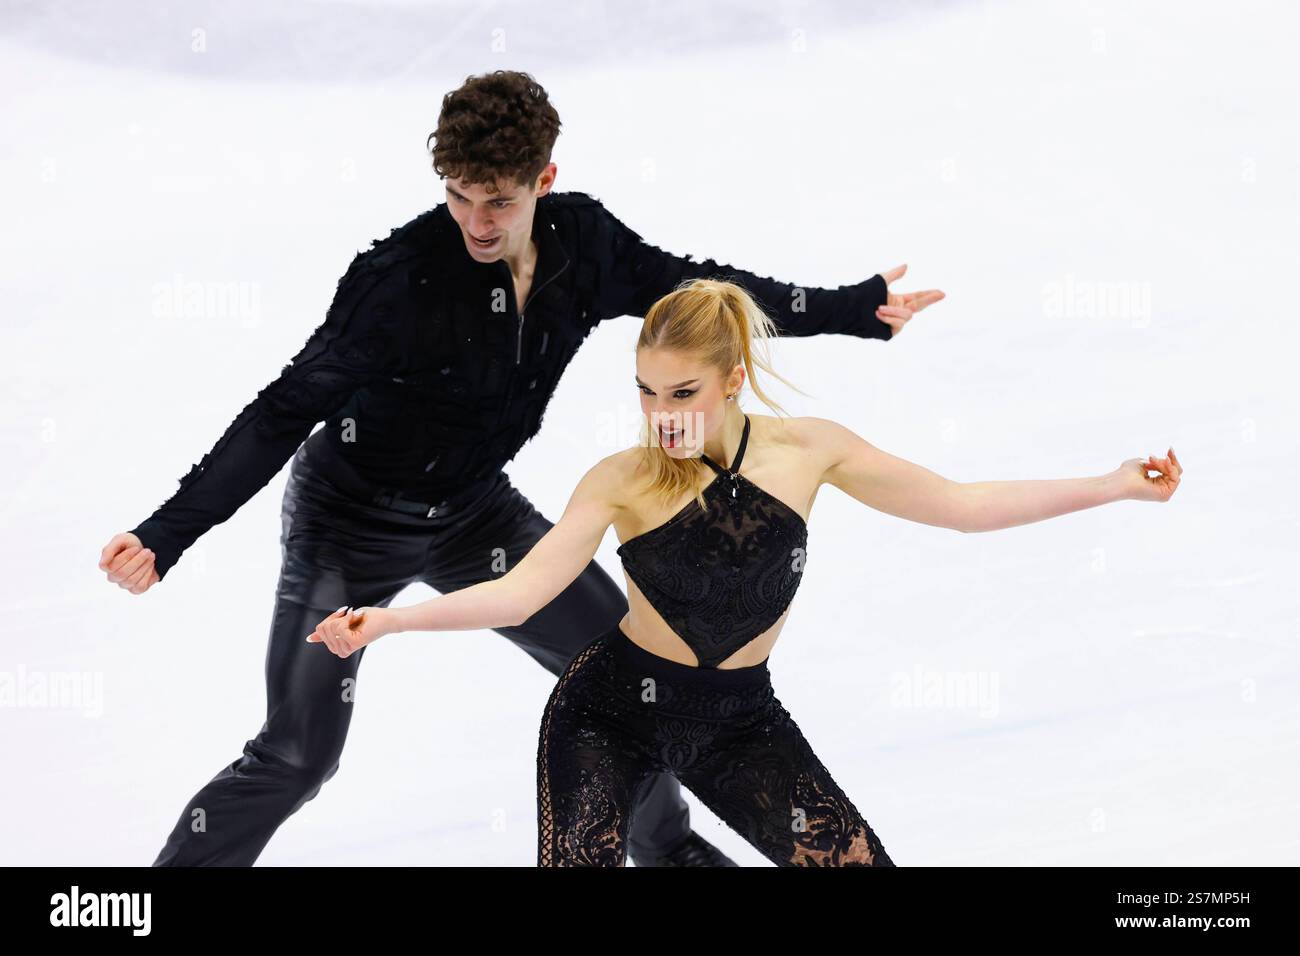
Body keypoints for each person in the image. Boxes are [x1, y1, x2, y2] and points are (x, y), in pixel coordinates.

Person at [97, 69, 946, 866]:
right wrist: (166, 535)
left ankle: (671, 851)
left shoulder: (585, 243)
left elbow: (705, 293)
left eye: (497, 200)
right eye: (459, 197)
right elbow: (284, 409)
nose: (476, 222)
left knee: (637, 687)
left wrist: (848, 309)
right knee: (297, 754)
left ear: (543, 181)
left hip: (476, 516)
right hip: (348, 524)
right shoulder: (395, 282)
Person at [309, 277, 1182, 867]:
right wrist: (388, 622)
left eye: (681, 394)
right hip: (608, 715)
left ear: (730, 382)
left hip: (739, 724)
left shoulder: (810, 453)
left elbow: (961, 503)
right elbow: (523, 590)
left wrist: (1110, 486)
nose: (660, 416)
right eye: (646, 392)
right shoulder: (624, 480)